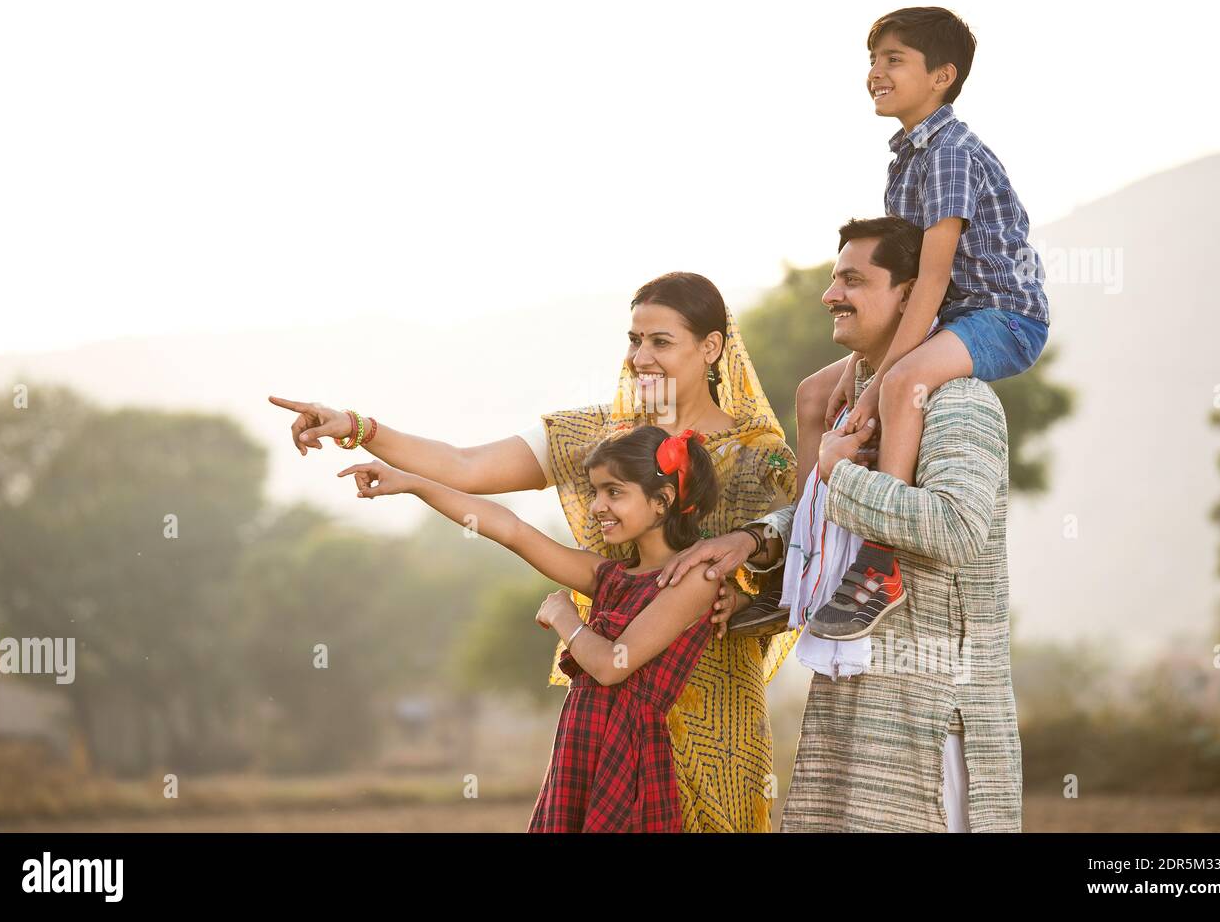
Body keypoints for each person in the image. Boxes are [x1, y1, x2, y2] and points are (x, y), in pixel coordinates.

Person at [269, 270, 798, 832]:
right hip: (607, 722)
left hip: (718, 716)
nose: (641, 357)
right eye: (634, 339)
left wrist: (740, 603)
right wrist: (357, 426)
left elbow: (801, 584)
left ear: (712, 347)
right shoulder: (598, 438)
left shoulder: (761, 460)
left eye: (661, 342)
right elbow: (466, 467)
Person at [657, 216, 1023, 832]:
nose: (832, 295)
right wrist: (755, 539)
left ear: (910, 295)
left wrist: (838, 472)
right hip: (850, 710)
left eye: (853, 280)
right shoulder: (848, 401)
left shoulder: (960, 401)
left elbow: (958, 527)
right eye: (833, 279)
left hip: (930, 716)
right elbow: (826, 520)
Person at [796, 6, 1050, 641]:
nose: (875, 73)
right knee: (813, 395)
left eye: (893, 60)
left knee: (903, 383)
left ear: (942, 75)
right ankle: (801, 553)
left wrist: (882, 374)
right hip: (944, 318)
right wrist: (858, 367)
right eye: (873, 60)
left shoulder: (951, 154)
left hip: (999, 317)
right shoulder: (905, 160)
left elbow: (932, 281)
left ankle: (880, 565)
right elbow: (902, 290)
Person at [336, 425, 721, 831]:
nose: (597, 507)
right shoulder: (608, 576)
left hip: (626, 756)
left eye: (614, 492)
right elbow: (512, 530)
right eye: (595, 493)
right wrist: (414, 484)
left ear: (662, 500)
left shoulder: (696, 579)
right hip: (580, 745)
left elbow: (611, 666)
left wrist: (564, 616)